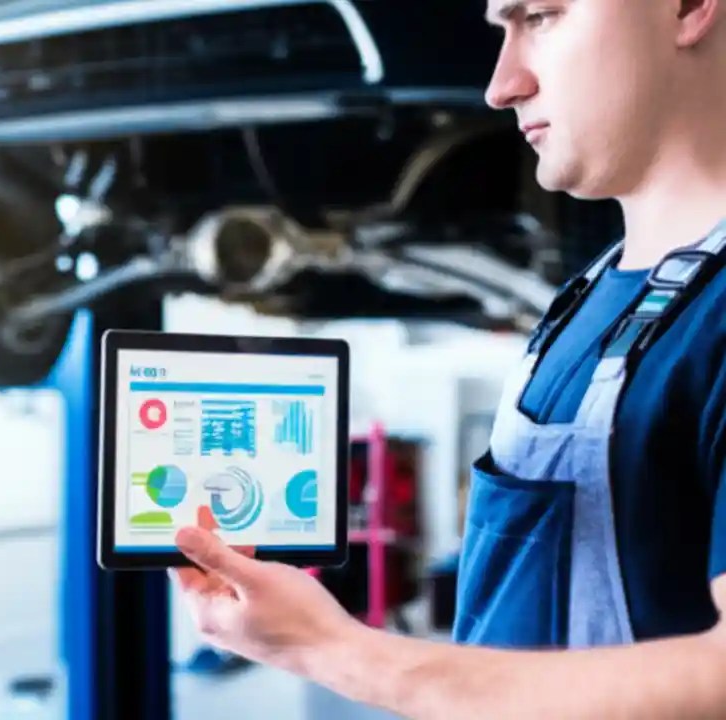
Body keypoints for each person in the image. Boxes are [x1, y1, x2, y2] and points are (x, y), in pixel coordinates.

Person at [172, 1, 726, 716]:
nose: (501, 85)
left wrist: (329, 648)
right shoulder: (586, 299)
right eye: (503, 30)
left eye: (541, 17)